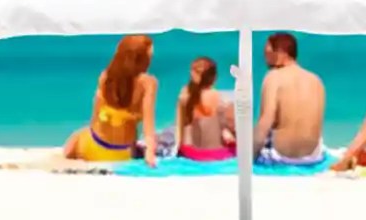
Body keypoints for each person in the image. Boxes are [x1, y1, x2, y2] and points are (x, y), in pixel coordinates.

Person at [62, 35, 159, 167]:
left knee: (79, 136)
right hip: (121, 153)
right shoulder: (148, 83)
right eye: (149, 56)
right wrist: (150, 154)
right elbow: (149, 126)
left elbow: (96, 116)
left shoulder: (106, 77)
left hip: (93, 146)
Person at [254, 32, 326, 163]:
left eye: (268, 53)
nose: (266, 58)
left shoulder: (273, 77)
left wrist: (248, 157)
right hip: (313, 157)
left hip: (280, 158)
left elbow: (266, 121)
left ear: (281, 52)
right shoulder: (316, 80)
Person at [174, 57, 236, 161]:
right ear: (214, 77)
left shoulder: (184, 96)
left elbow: (179, 129)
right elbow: (232, 129)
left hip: (190, 153)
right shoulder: (220, 98)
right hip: (218, 154)